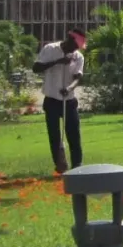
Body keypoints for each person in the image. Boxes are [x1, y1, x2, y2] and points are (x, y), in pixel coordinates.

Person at [32, 29, 86, 173]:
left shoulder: (78, 57)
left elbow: (78, 78)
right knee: (55, 136)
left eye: (78, 47)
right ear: (69, 39)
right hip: (51, 100)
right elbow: (36, 68)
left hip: (69, 100)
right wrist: (58, 62)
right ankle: (60, 164)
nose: (76, 49)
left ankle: (77, 166)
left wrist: (69, 88)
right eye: (75, 45)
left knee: (74, 134)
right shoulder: (50, 49)